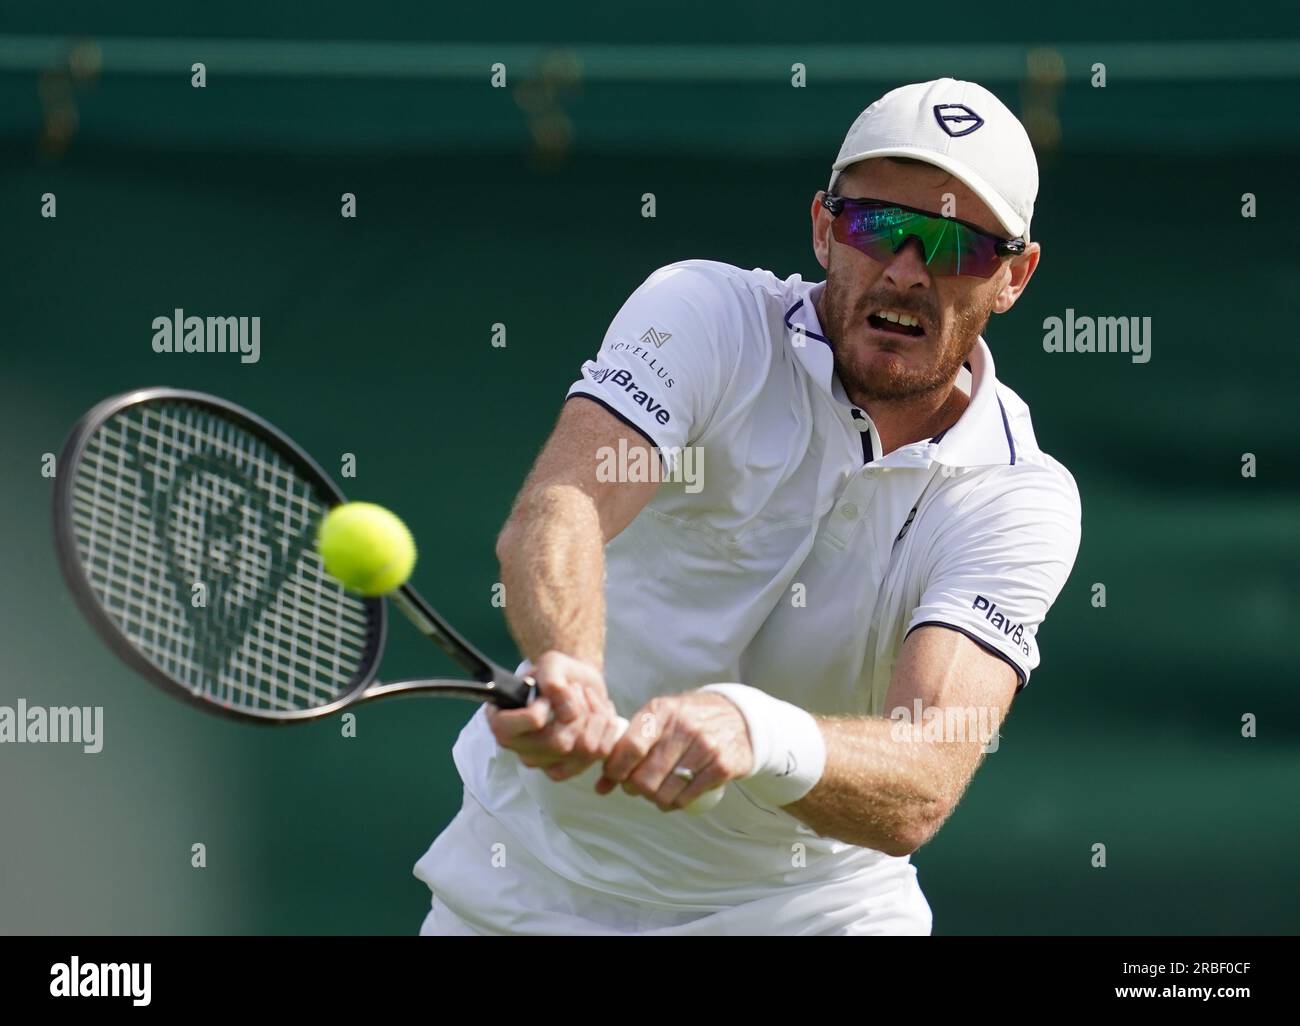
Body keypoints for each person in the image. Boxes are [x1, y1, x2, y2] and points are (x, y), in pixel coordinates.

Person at [415, 77, 1081, 935]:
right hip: (523, 890)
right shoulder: (703, 315)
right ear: (822, 227)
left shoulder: (1017, 495)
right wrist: (569, 663)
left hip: (815, 910)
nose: (906, 269)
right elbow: (564, 506)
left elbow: (924, 776)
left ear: (1014, 276)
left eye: (955, 246)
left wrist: (752, 730)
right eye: (874, 225)